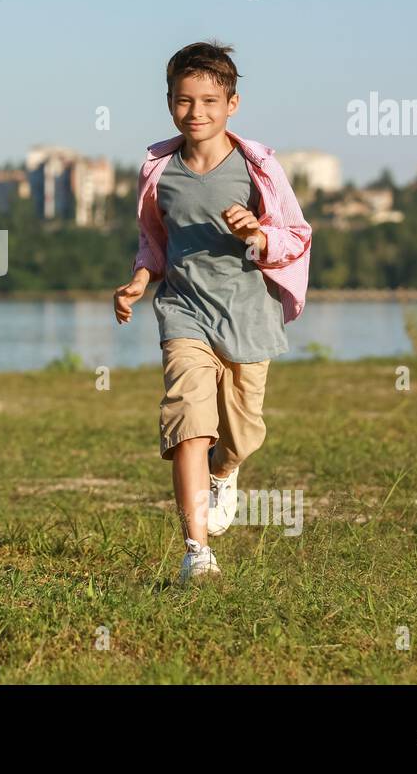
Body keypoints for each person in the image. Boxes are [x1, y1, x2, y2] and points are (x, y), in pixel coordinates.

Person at [112, 41, 311, 585]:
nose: (195, 112)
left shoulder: (257, 168)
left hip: (248, 315)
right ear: (170, 102)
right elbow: (154, 241)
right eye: (183, 101)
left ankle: (226, 470)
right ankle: (196, 553)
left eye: (208, 101)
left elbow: (296, 236)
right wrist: (137, 281)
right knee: (189, 424)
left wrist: (257, 233)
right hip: (184, 312)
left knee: (242, 435)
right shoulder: (160, 170)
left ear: (232, 104)